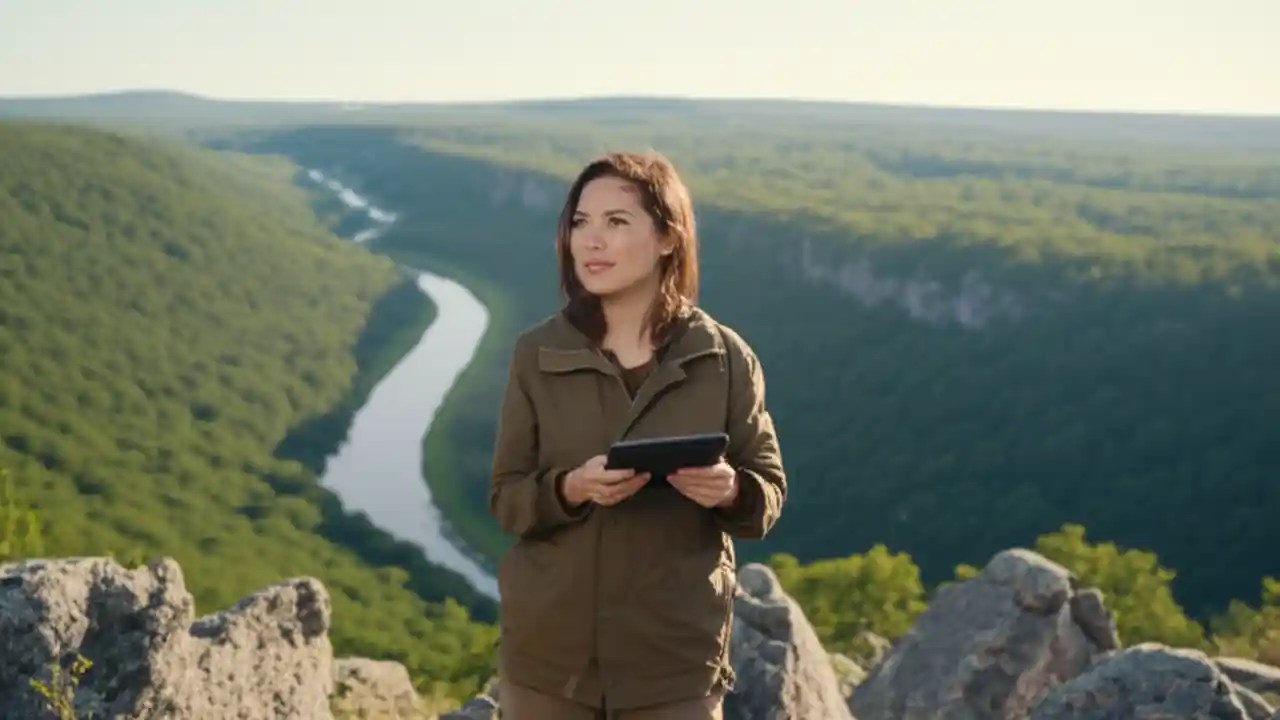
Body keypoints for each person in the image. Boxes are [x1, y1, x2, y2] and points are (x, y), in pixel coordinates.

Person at [488, 151, 787, 719]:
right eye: (581, 222)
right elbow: (506, 500)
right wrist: (571, 488)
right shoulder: (537, 354)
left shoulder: (724, 358)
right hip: (550, 662)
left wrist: (729, 490)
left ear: (668, 239)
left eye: (616, 222)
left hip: (674, 663)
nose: (591, 241)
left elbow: (766, 496)